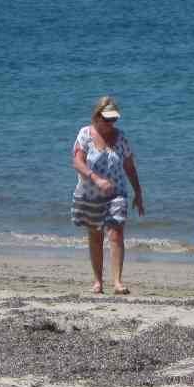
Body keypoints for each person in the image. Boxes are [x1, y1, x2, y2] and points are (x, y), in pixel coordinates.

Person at [71, 95, 145, 294]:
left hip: (116, 192)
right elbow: (77, 162)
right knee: (95, 236)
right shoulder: (85, 134)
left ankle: (118, 282)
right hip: (90, 193)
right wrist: (95, 178)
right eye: (107, 119)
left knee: (116, 232)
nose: (111, 123)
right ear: (97, 116)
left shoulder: (120, 137)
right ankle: (98, 282)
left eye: (114, 119)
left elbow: (129, 166)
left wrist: (138, 192)